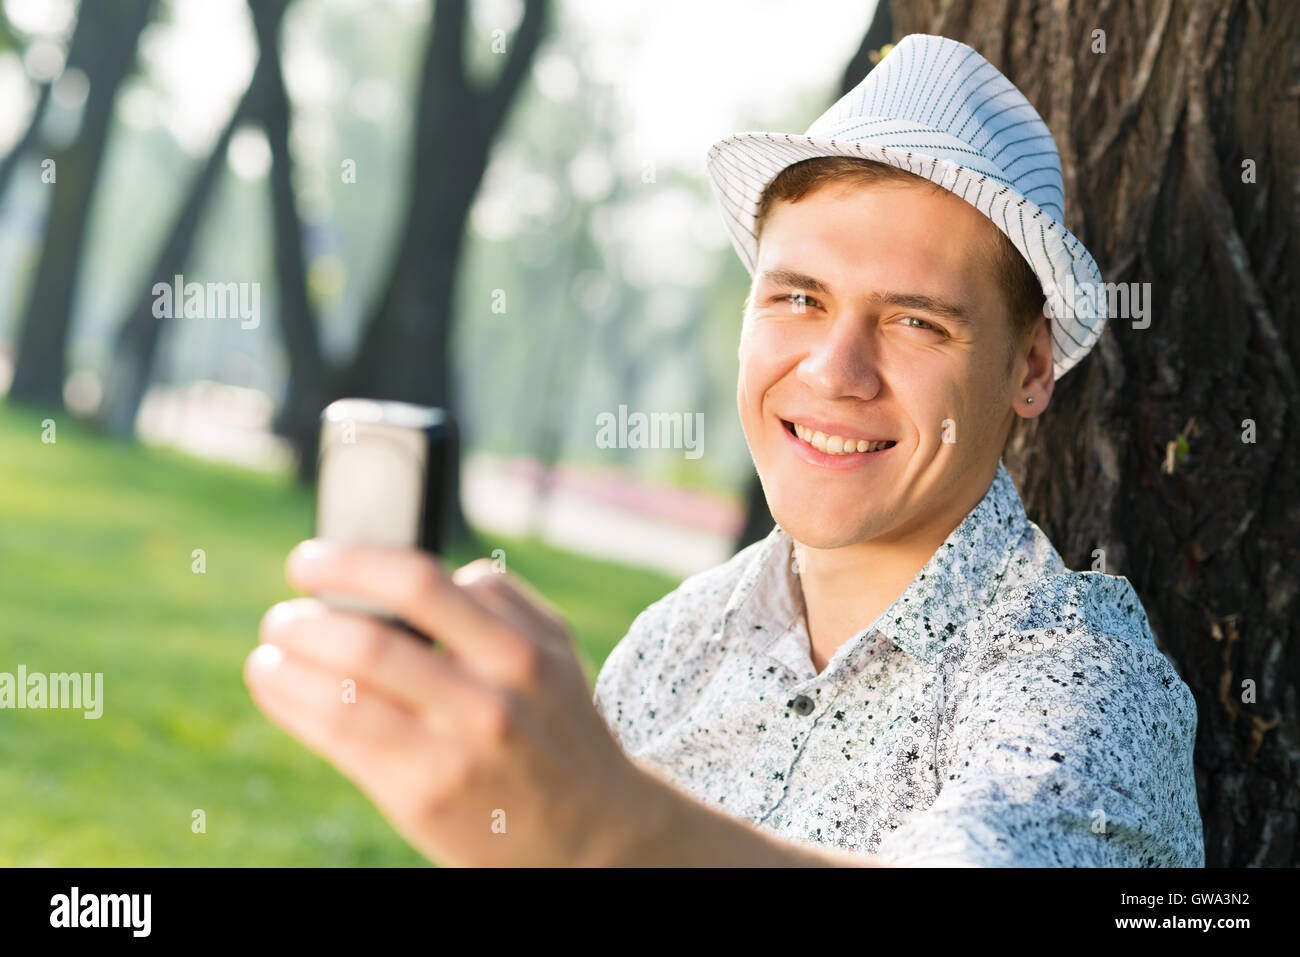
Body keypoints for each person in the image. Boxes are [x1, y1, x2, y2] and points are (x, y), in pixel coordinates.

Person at [244, 33, 1205, 867]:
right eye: (798, 298)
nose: (836, 371)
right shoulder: (672, 645)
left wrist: (603, 827)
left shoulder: (1087, 683)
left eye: (915, 321)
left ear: (1030, 369)